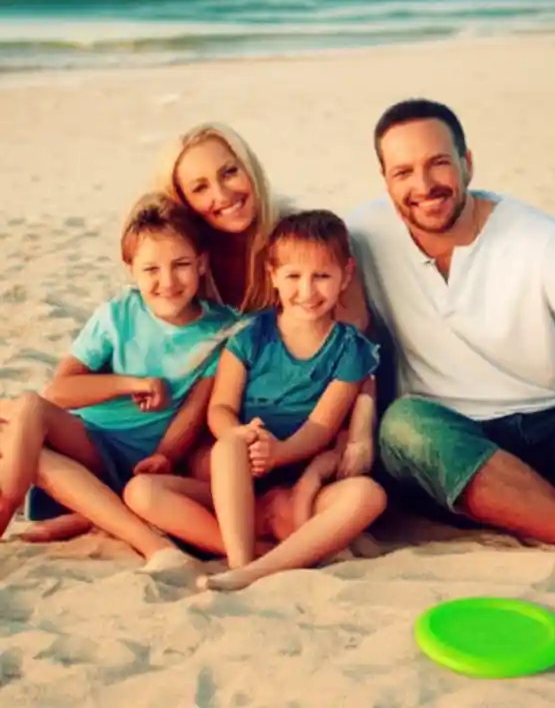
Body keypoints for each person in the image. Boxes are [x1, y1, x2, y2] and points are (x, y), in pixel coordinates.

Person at [16, 123, 376, 544]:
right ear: (184, 202)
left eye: (229, 172)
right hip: (212, 423)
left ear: (250, 168)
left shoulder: (299, 242)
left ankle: (113, 517)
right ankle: (107, 514)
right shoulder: (182, 266)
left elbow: (354, 355)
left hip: (294, 419)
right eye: (200, 188)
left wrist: (361, 431)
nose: (221, 195)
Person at [345, 98, 555, 587]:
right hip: (448, 444)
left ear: (467, 163)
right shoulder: (364, 233)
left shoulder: (538, 238)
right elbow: (291, 270)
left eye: (438, 162)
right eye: (403, 172)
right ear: (386, 181)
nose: (423, 185)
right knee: (405, 427)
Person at [123, 210, 386, 591]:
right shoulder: (250, 334)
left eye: (322, 276)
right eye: (294, 276)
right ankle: (246, 559)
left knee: (367, 496)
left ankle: (252, 568)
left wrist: (279, 453)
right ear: (273, 274)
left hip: (297, 487)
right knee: (143, 490)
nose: (307, 291)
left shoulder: (350, 349)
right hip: (235, 482)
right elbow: (220, 407)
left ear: (345, 275)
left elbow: (321, 426)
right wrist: (243, 435)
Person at [0, 193, 236, 572]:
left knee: (20, 438)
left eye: (181, 265)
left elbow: (197, 409)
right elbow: (58, 392)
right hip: (90, 446)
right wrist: (130, 383)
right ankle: (6, 508)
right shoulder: (117, 315)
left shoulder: (221, 330)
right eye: (151, 270)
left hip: (141, 462)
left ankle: (141, 539)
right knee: (25, 408)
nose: (167, 282)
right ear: (131, 270)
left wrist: (168, 455)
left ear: (202, 262)